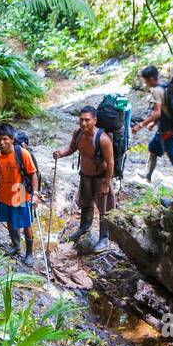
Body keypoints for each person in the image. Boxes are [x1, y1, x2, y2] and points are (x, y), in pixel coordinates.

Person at [52, 106, 114, 254]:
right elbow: (72, 147)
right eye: (81, 120)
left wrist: (106, 183)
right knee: (85, 203)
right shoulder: (78, 133)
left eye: (87, 120)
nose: (84, 123)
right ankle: (84, 227)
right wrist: (61, 153)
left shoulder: (103, 139)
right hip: (85, 175)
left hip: (100, 178)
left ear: (95, 120)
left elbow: (111, 163)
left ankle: (104, 238)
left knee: (104, 209)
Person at [0, 122, 38, 266]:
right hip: (3, 193)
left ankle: (29, 253)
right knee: (9, 220)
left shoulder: (22, 154)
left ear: (12, 139)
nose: (2, 143)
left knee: (26, 223)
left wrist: (35, 194)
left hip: (19, 191)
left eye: (5, 139)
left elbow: (33, 174)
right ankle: (15, 245)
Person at [133, 65, 173, 180]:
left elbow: (157, 112)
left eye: (146, 81)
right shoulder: (165, 86)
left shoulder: (156, 90)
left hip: (167, 131)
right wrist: (154, 123)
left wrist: (140, 125)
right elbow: (165, 109)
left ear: (151, 79)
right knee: (153, 149)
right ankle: (148, 176)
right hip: (166, 127)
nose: (146, 84)